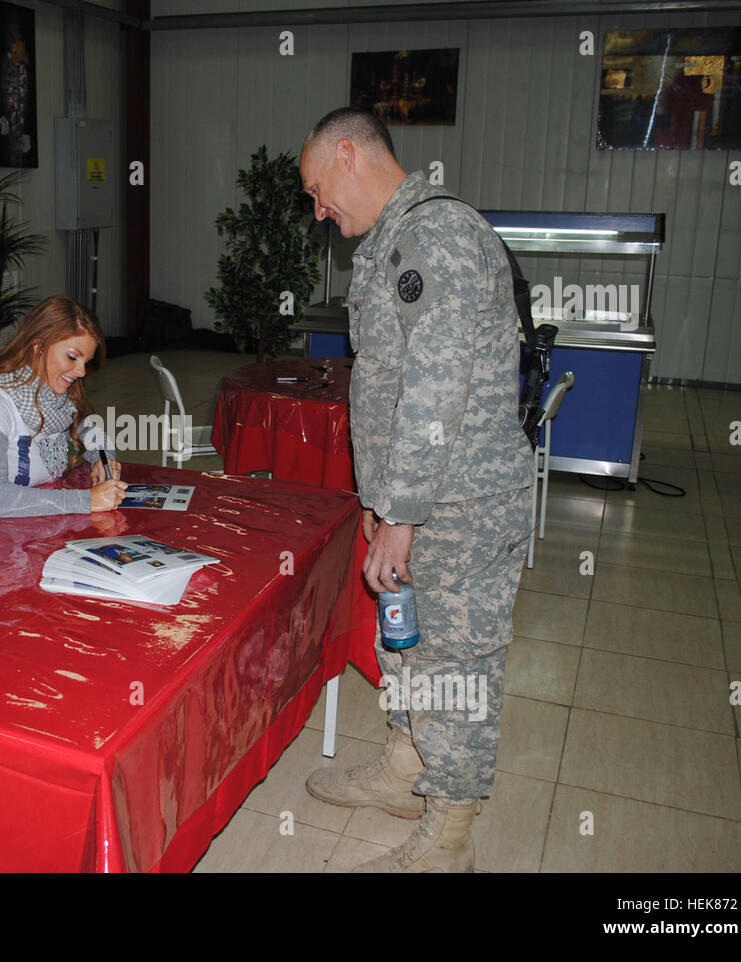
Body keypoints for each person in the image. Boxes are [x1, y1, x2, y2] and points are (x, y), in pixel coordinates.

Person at [299, 107, 532, 872]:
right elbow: (387, 383)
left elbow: (437, 390)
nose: (317, 207)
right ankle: (407, 769)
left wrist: (399, 512)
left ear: (347, 153)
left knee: (457, 664)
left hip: (459, 504)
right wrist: (380, 502)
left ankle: (451, 833)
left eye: (317, 188)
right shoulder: (391, 241)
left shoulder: (437, 237)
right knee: (407, 640)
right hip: (415, 500)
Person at [0, 295, 127, 533]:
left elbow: (89, 429)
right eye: (72, 357)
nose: (81, 371)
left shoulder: (56, 396)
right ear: (39, 346)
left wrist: (103, 459)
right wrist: (87, 501)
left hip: (31, 529)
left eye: (86, 361)